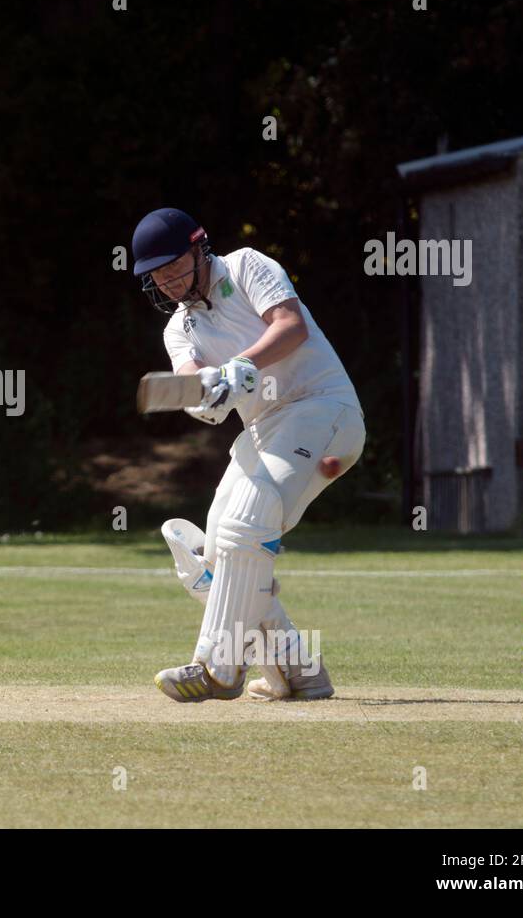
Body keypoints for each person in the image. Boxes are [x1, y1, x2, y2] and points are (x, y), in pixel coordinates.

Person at [130, 208, 365, 702]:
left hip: (323, 407)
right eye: (158, 277)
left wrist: (239, 366)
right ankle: (300, 672)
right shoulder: (180, 329)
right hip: (264, 430)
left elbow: (290, 326)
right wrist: (206, 396)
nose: (170, 283)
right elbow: (192, 383)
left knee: (245, 524)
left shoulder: (245, 266)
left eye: (175, 268)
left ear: (199, 248)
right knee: (217, 560)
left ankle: (217, 668)